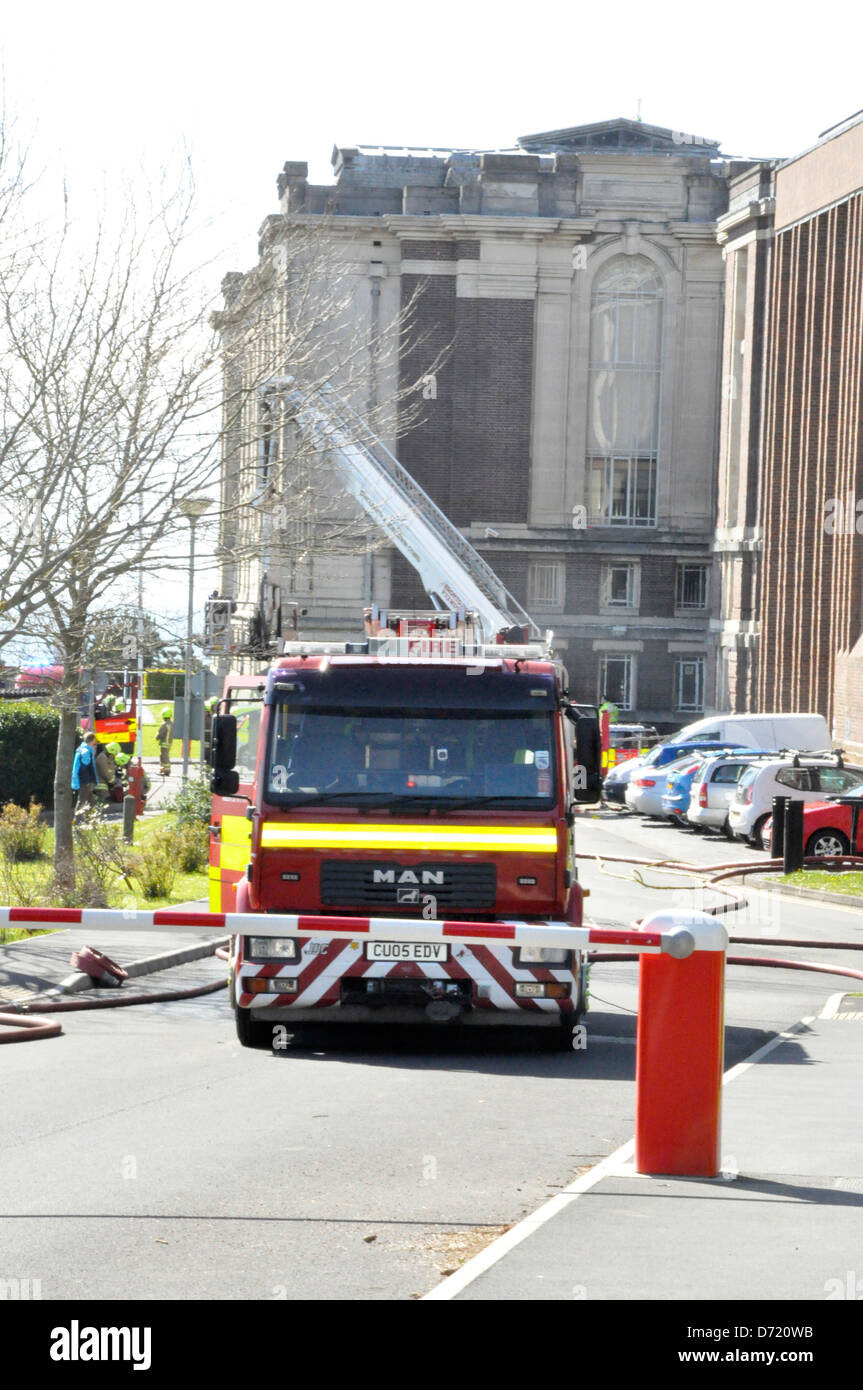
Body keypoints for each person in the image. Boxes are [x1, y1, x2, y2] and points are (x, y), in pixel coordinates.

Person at [71, 732, 99, 816]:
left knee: (91, 802)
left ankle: (92, 821)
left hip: (82, 780)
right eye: (95, 743)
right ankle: (77, 823)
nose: (95, 745)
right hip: (85, 781)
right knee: (82, 801)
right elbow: (84, 768)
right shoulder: (86, 752)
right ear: (91, 741)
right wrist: (88, 781)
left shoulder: (81, 749)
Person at [157, 707, 174, 777]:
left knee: (163, 757)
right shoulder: (172, 724)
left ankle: (165, 770)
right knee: (166, 756)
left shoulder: (164, 725)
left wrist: (157, 737)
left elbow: (160, 734)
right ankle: (165, 770)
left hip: (164, 743)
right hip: (169, 743)